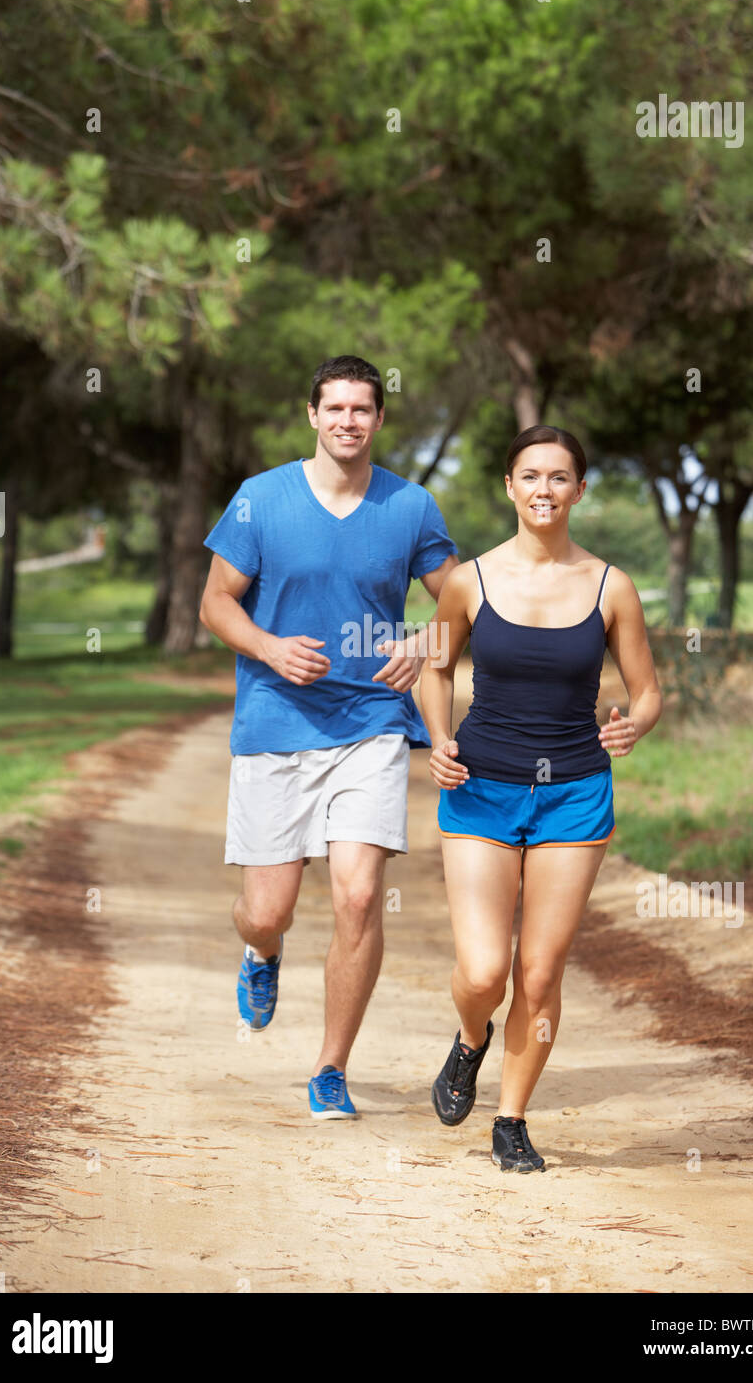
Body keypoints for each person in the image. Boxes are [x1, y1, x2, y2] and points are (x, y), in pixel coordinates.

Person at [199, 355, 459, 1120]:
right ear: (312, 414)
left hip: (371, 725)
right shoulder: (259, 500)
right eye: (335, 408)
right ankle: (261, 951)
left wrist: (424, 643)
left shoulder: (411, 507)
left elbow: (463, 601)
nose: (348, 420)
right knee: (269, 907)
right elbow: (216, 603)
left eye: (363, 409)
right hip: (276, 724)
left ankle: (331, 1068)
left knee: (357, 895)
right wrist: (270, 647)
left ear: (380, 419)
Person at [420, 424, 662, 1171]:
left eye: (560, 478)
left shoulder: (609, 585)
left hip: (575, 795)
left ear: (580, 491)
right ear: (509, 488)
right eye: (530, 476)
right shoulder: (470, 581)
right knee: (485, 973)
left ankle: (512, 1119)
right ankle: (470, 1039)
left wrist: (633, 729)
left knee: (539, 973)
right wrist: (438, 739)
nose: (544, 490)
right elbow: (434, 668)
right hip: (481, 789)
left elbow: (648, 693)